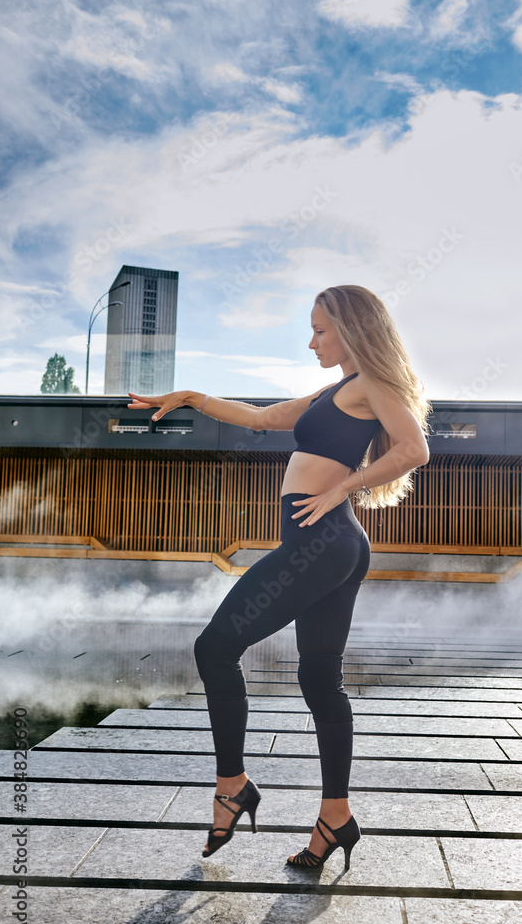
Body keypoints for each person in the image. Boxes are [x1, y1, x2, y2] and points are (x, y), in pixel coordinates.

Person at [128, 284, 431, 870]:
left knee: (215, 647)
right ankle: (335, 818)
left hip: (324, 542)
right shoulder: (337, 391)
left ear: (353, 328)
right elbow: (262, 418)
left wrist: (343, 487)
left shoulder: (372, 383)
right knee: (320, 680)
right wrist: (193, 395)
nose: (311, 340)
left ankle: (233, 786)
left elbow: (414, 448)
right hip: (326, 543)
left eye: (320, 329)